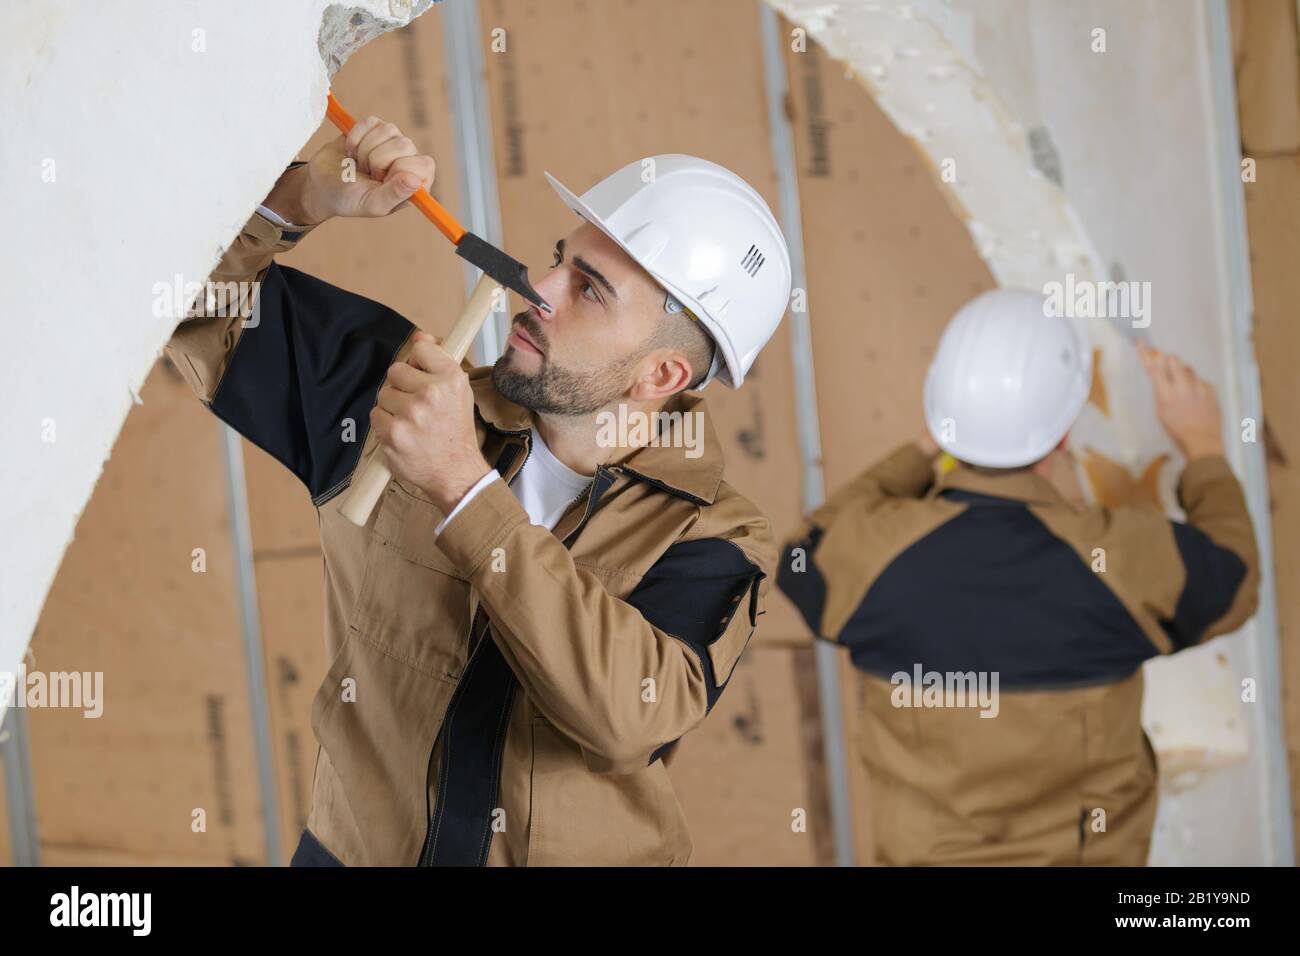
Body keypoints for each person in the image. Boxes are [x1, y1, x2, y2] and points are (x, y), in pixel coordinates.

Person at [167, 114, 792, 865]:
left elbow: (630, 713)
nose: (538, 285)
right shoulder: (399, 391)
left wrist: (463, 486)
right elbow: (178, 305)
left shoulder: (714, 535)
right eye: (561, 260)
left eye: (588, 290)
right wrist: (299, 200)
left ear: (661, 376)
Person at [777, 289, 1259, 865]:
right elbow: (1235, 574)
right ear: (1061, 434)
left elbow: (806, 549)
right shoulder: (1117, 560)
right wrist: (1203, 446)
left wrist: (932, 446)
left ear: (941, 415)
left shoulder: (867, 556)